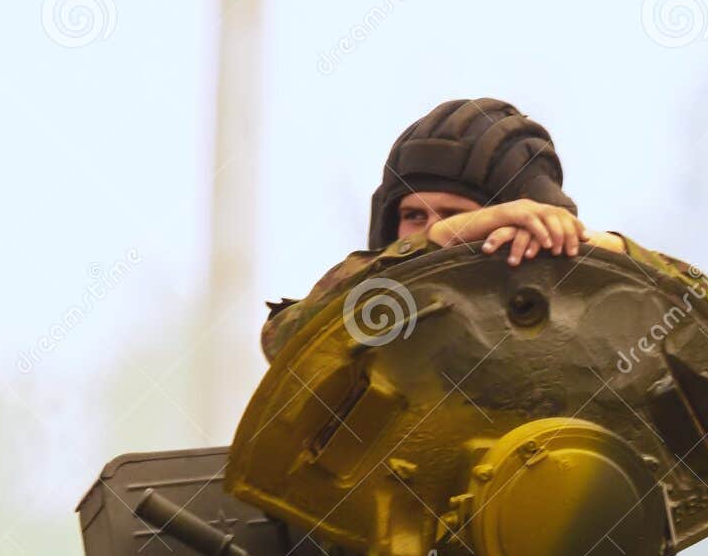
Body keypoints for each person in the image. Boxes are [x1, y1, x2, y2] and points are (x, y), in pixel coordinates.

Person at [261, 98, 629, 361]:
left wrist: (615, 255)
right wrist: (434, 244)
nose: (439, 228)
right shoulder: (380, 317)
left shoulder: (576, 318)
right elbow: (286, 341)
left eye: (458, 215)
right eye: (415, 218)